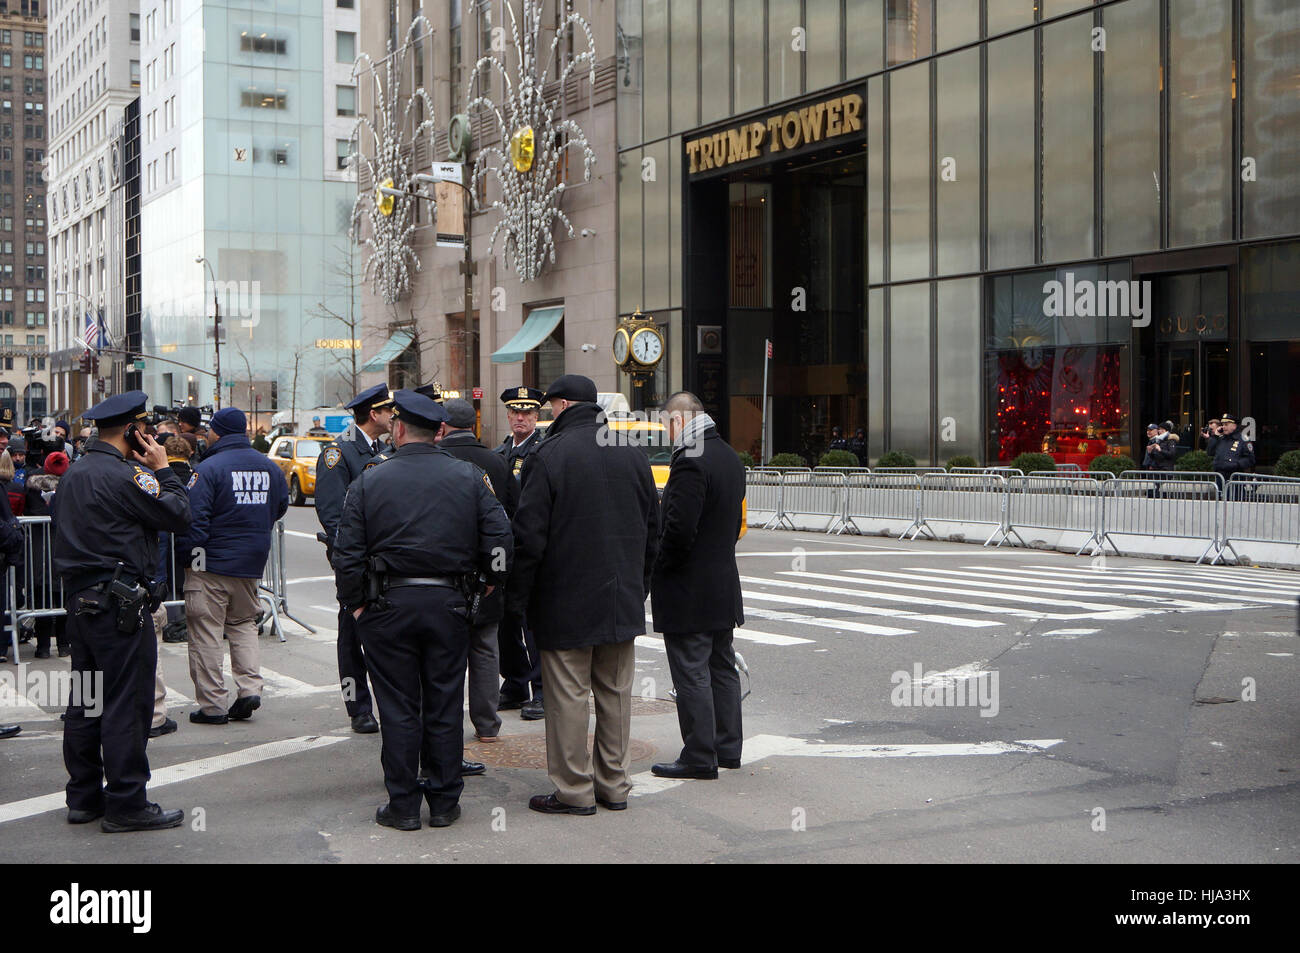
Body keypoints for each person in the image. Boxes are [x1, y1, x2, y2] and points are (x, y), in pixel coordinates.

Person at [332, 390, 513, 830]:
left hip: (387, 606)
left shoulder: (371, 479)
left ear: (397, 428)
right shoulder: (469, 477)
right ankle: (445, 801)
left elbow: (347, 552)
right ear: (440, 431)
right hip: (450, 605)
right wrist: (486, 588)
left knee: (397, 707)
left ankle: (404, 805)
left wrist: (357, 607)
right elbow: (501, 541)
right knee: (444, 703)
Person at [508, 375, 658, 816]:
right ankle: (614, 784)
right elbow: (654, 529)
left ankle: (574, 790)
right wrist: (639, 585)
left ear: (560, 405)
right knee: (614, 694)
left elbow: (529, 538)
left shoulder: (549, 454)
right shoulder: (632, 452)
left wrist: (517, 601)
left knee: (569, 697)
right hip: (621, 598)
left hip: (565, 600)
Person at [51, 390, 191, 832]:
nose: (150, 438)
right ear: (132, 429)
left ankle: (84, 798)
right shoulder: (126, 475)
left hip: (82, 605)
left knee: (86, 702)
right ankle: (127, 802)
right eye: (145, 430)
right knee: (126, 705)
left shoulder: (74, 472)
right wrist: (165, 470)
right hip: (119, 606)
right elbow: (178, 514)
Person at [650, 392, 746, 780]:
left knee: (691, 670)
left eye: (666, 426)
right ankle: (728, 748)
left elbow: (678, 531)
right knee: (722, 667)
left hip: (689, 588)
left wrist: (659, 569)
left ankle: (699, 755)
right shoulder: (729, 456)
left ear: (678, 421)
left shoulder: (690, 460)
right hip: (722, 583)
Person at [180, 407, 289, 726]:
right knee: (243, 623)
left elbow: (194, 518)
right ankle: (249, 689)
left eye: (211, 429)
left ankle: (213, 705)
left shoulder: (208, 468)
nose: (208, 434)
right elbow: (279, 506)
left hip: (210, 564)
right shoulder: (269, 467)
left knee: (207, 631)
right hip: (250, 562)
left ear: (219, 432)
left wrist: (189, 557)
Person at [435, 398, 519, 743]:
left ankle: (447, 725)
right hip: (486, 571)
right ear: (475, 425)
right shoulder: (497, 462)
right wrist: (497, 573)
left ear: (443, 426)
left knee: (446, 654)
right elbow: (512, 516)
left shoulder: (438, 460)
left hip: (445, 572)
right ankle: (487, 725)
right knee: (485, 649)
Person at [314, 383, 393, 734]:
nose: (394, 416)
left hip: (388, 560)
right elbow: (332, 515)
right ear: (373, 414)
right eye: (388, 410)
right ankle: (358, 706)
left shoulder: (389, 450)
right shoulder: (339, 454)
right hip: (358, 561)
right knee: (352, 637)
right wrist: (346, 559)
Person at [494, 386, 545, 720]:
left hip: (531, 550)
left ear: (537, 417)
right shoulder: (500, 453)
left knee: (533, 623)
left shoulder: (542, 452)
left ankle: (541, 690)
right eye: (516, 412)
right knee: (505, 620)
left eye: (527, 413)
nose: (521, 418)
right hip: (506, 550)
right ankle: (515, 683)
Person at [25, 450, 72, 659]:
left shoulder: (32, 486)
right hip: (63, 550)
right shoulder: (70, 487)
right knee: (61, 597)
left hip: (39, 551)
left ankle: (43, 646)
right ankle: (63, 644)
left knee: (42, 597)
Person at [1210, 413, 1255, 495]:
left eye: (1226, 425)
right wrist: (1215, 437)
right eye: (1223, 425)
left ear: (1234, 426)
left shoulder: (1243, 439)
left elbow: (1250, 459)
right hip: (1220, 478)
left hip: (1234, 478)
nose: (1224, 427)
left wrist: (1236, 464)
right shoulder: (1221, 438)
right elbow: (1210, 452)